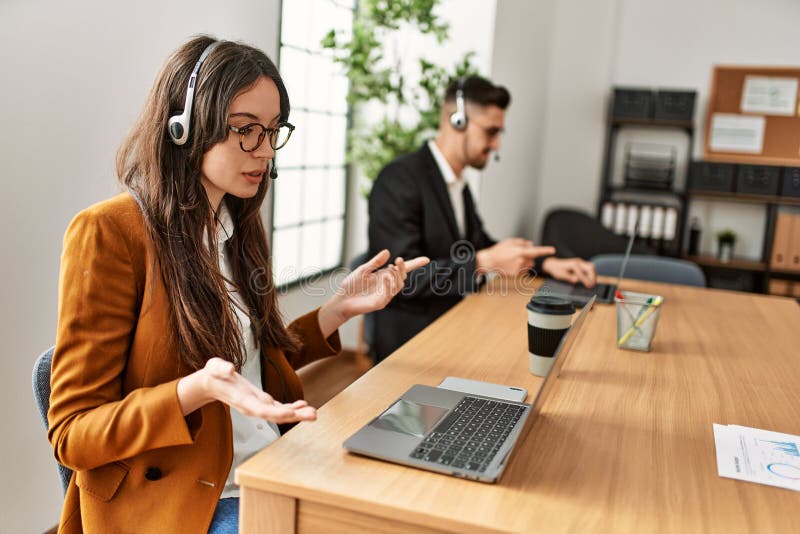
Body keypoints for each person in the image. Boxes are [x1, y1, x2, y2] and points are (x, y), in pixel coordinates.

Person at [47, 35, 428, 534]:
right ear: (185, 126)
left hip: (269, 465)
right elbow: (73, 433)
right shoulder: (111, 232)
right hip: (186, 502)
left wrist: (337, 311)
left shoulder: (236, 222)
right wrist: (194, 391)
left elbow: (251, 374)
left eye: (273, 131)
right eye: (246, 130)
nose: (265, 151)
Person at [367, 75, 595, 362]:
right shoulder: (398, 180)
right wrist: (485, 262)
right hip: (412, 345)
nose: (497, 144)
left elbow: (480, 243)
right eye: (491, 132)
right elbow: (402, 280)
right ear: (456, 121)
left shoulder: (455, 184)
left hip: (456, 324)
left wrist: (546, 263)